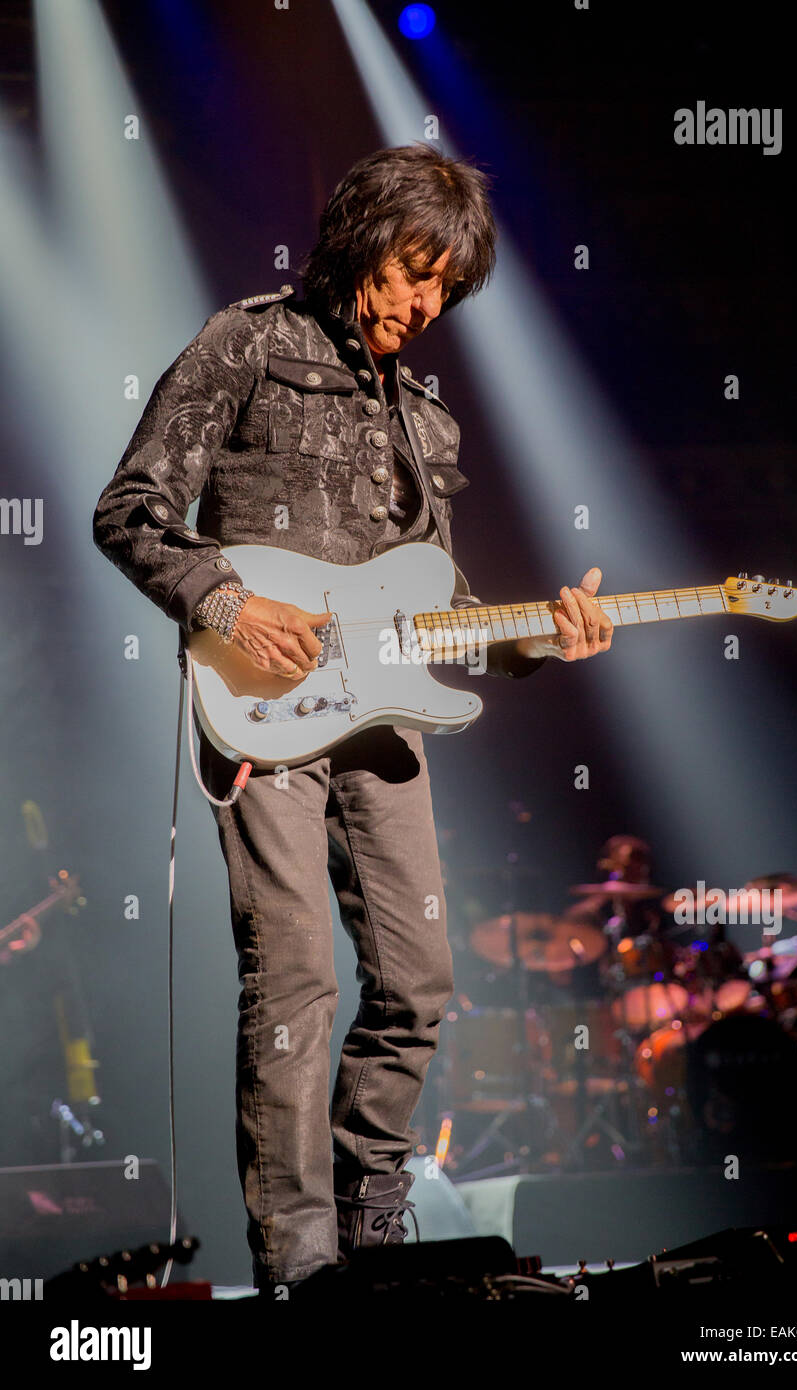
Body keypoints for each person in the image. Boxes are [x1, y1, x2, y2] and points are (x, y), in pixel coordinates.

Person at [93, 143, 614, 1293]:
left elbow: (445, 615)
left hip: (383, 727)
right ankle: (301, 1267)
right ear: (360, 238)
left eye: (442, 290)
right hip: (262, 711)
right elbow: (127, 510)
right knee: (292, 983)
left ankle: (370, 1214)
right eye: (409, 273)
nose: (420, 305)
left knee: (418, 979)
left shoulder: (425, 422)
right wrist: (223, 600)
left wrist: (541, 632)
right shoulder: (247, 341)